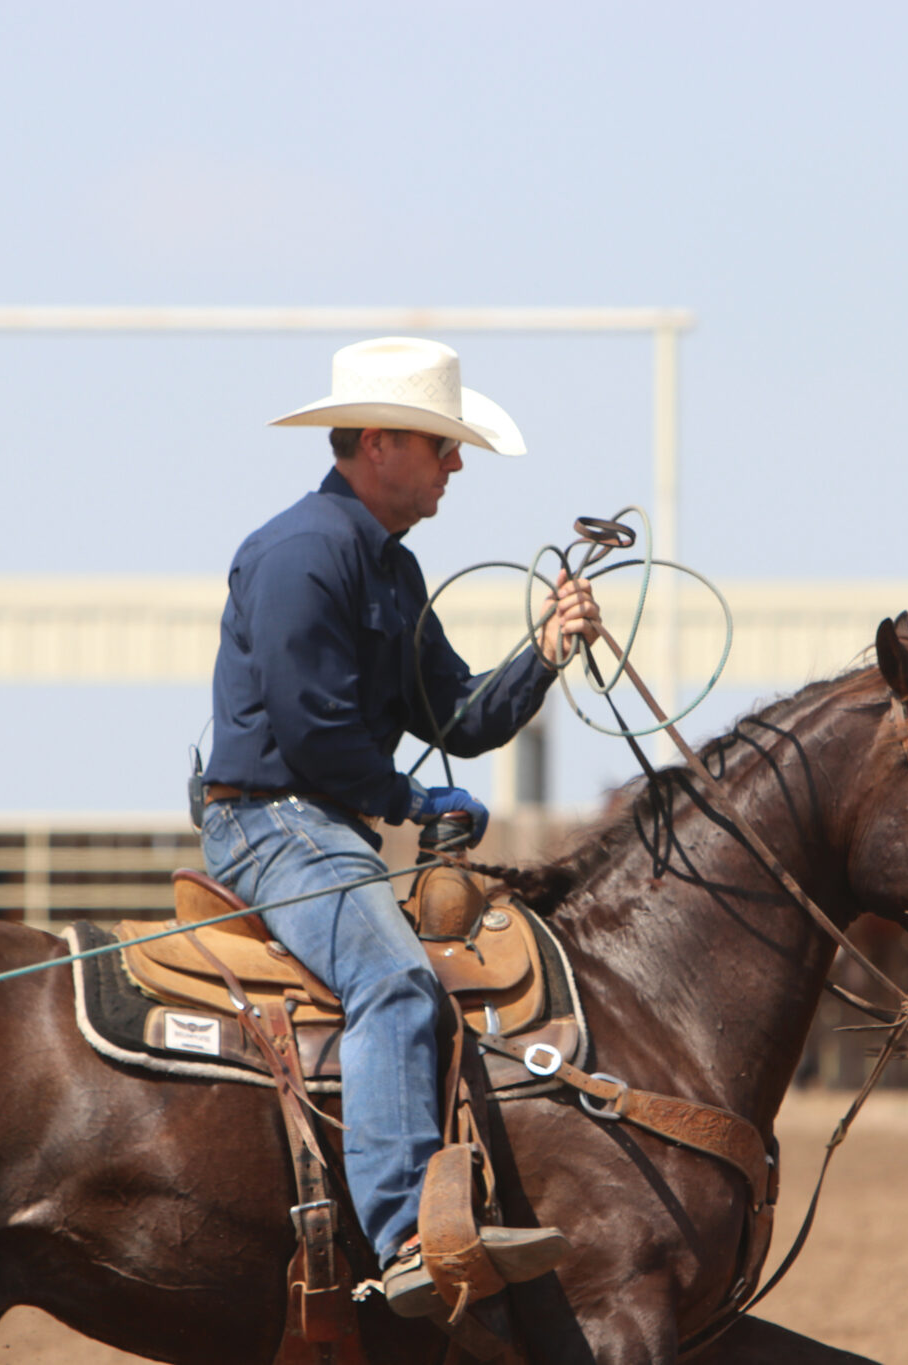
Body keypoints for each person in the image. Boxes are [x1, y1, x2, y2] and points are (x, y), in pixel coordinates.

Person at [200, 337, 600, 1317]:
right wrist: (415, 804)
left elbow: (457, 716)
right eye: (441, 446)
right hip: (272, 826)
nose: (456, 465)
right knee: (392, 980)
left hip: (319, 826)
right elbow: (313, 731)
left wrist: (544, 653)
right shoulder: (302, 553)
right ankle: (406, 1234)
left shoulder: (389, 568)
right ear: (378, 443)